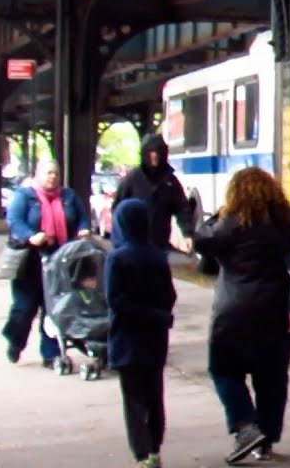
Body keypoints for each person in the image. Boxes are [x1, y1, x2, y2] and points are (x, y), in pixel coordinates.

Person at [193, 167, 290, 464]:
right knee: (272, 378)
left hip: (232, 313)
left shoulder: (229, 223)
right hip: (278, 311)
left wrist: (221, 213)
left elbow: (201, 240)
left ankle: (245, 425)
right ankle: (267, 439)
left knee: (223, 370)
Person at [105, 199, 177, 468]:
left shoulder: (117, 258)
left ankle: (142, 453)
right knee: (154, 396)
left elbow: (115, 300)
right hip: (155, 337)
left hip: (127, 338)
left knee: (133, 399)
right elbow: (170, 295)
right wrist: (159, 315)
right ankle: (155, 447)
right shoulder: (157, 255)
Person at [1, 159, 91, 367]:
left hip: (60, 260)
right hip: (30, 261)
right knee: (24, 309)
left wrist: (83, 229)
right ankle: (15, 341)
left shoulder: (68, 196)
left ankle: (51, 354)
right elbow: (14, 220)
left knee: (54, 308)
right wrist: (30, 236)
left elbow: (82, 218)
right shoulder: (25, 196)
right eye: (48, 173)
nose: (53, 177)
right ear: (38, 175)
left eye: (56, 174)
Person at [113, 134, 195, 251]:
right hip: (133, 244)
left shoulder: (170, 181)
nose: (155, 156)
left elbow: (182, 209)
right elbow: (117, 209)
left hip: (159, 244)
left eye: (158, 152)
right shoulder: (132, 178)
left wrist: (187, 234)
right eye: (151, 152)